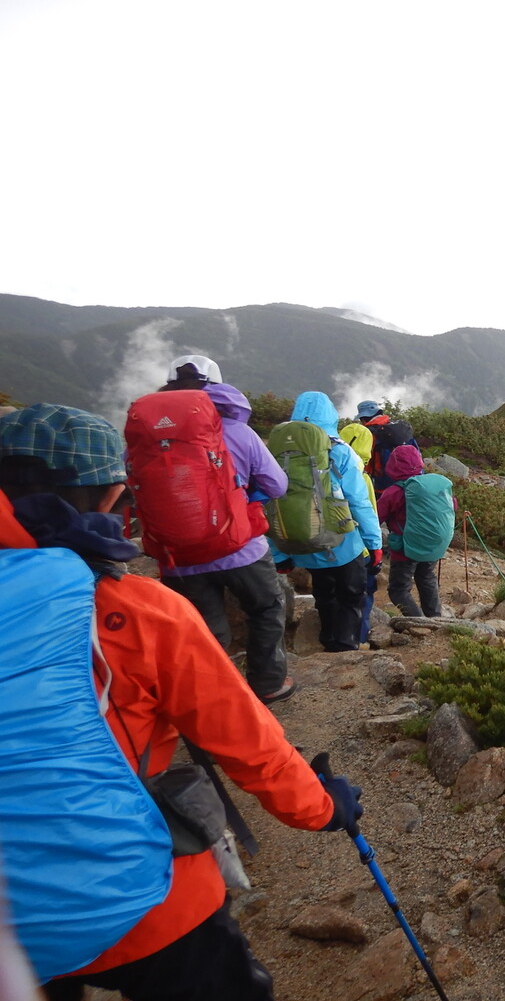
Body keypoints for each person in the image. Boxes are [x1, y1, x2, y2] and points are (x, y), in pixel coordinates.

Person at [0, 403, 362, 1001]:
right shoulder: (132, 610)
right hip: (136, 897)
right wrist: (323, 807)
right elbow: (245, 742)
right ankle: (269, 677)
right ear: (116, 494)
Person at [150, 356, 295, 704]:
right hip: (239, 546)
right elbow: (277, 485)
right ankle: (268, 684)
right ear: (215, 388)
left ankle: (212, 699)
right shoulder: (236, 430)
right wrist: (245, 494)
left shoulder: (149, 437)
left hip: (177, 555)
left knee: (200, 629)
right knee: (266, 608)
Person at [272, 392, 382, 651]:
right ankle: (344, 646)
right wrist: (374, 543)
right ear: (330, 415)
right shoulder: (341, 451)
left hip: (303, 540)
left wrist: (279, 553)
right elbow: (359, 502)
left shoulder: (279, 452)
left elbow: (271, 503)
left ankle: (327, 637)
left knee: (323, 591)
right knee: (351, 594)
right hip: (342, 542)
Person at [376, 444, 454, 618]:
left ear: (393, 466)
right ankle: (435, 619)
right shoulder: (432, 487)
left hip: (405, 549)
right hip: (432, 545)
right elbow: (452, 506)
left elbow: (376, 519)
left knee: (398, 590)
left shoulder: (393, 492)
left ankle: (418, 622)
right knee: (426, 578)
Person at [356, 400, 417, 494]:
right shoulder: (400, 427)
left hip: (384, 485)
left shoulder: (370, 433)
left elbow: (367, 461)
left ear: (363, 418)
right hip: (411, 480)